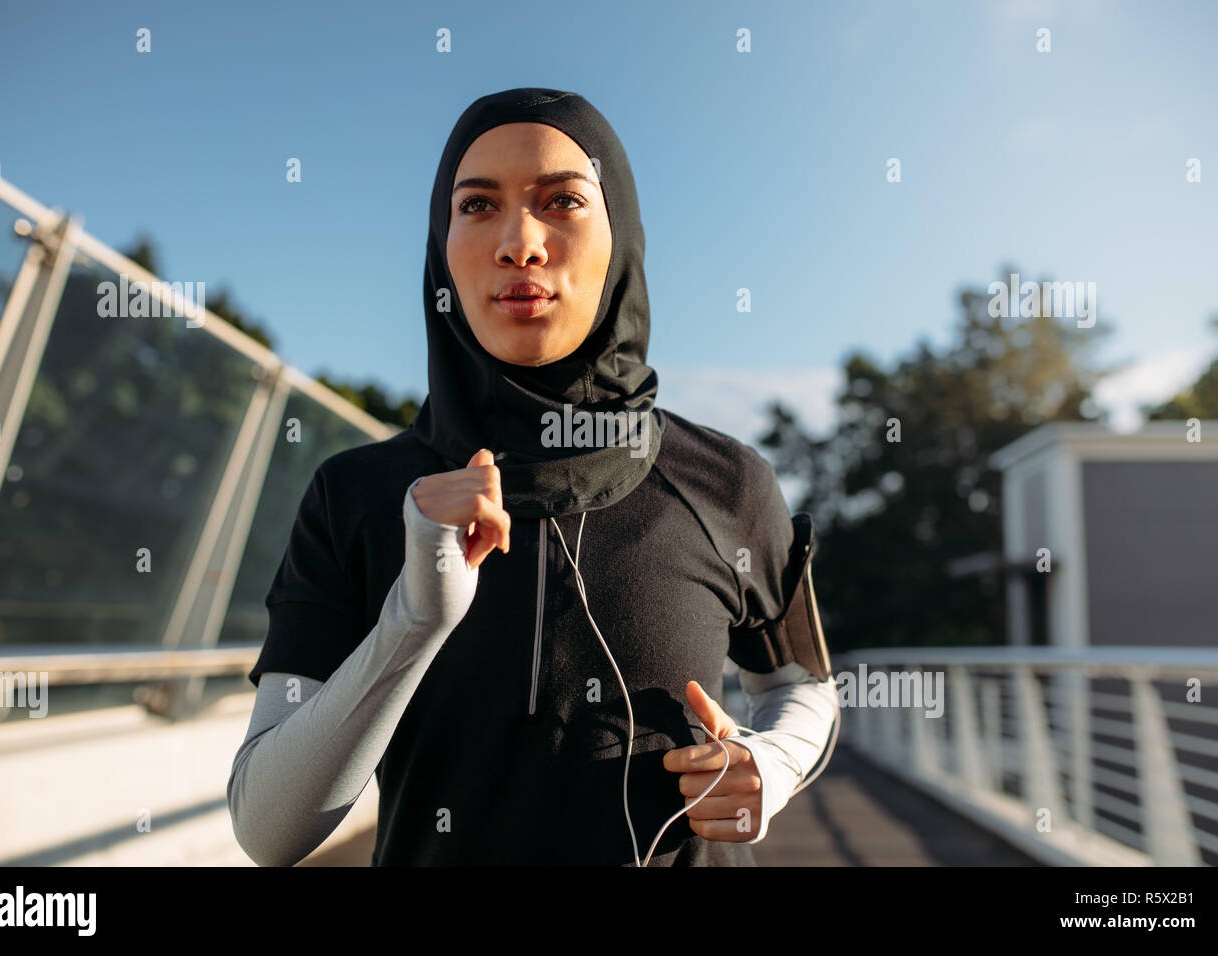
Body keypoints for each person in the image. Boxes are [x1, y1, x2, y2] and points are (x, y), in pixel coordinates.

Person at [226, 88, 839, 867]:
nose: (520, 242)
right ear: (439, 246)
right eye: (478, 205)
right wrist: (413, 619)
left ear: (621, 237)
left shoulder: (728, 482)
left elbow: (801, 685)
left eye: (562, 201)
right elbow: (266, 830)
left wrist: (772, 766)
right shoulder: (354, 495)